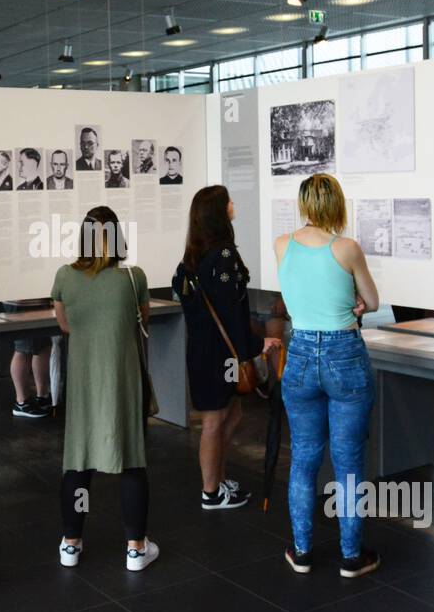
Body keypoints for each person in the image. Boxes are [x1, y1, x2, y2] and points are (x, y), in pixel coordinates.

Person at [273, 173, 380, 579]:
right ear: (336, 204)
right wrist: (355, 306)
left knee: (303, 457)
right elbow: (371, 301)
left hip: (299, 352)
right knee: (348, 460)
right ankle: (351, 556)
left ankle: (301, 551)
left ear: (303, 204)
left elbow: (295, 294)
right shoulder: (347, 248)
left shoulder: (282, 244)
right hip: (343, 354)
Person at [51, 206, 159, 571]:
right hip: (123, 378)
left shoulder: (65, 276)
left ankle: (71, 544)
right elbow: (143, 319)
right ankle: (135, 548)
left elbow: (65, 326)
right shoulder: (133, 278)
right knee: (131, 460)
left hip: (83, 380)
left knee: (78, 462)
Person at [173, 185, 275, 510]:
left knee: (231, 413)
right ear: (219, 212)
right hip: (221, 355)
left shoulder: (193, 256)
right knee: (216, 420)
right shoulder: (224, 255)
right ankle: (211, 492)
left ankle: (217, 479)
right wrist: (258, 345)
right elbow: (232, 313)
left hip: (203, 350)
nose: (233, 204)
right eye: (228, 201)